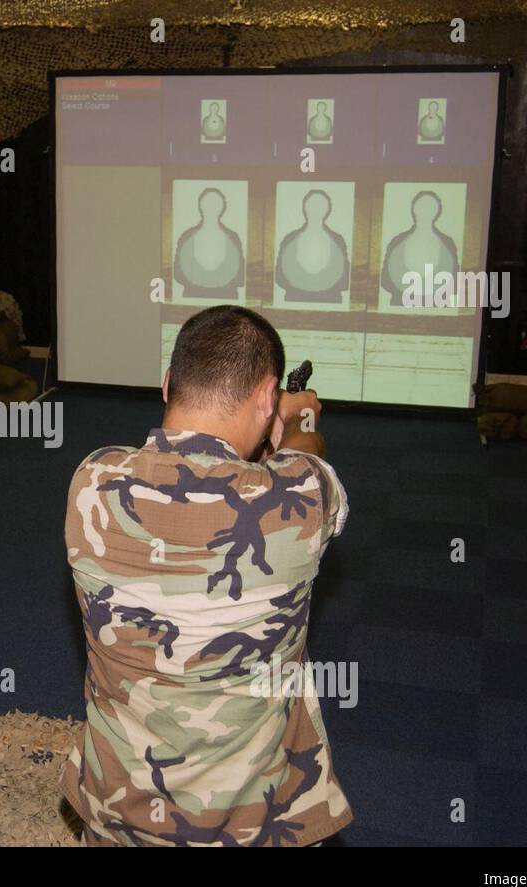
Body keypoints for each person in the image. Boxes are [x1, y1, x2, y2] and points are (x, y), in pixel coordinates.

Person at [60, 305, 352, 846]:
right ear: (267, 398)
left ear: (167, 383)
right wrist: (298, 422)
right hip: (250, 828)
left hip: (116, 817)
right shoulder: (301, 498)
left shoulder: (91, 479)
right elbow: (310, 462)